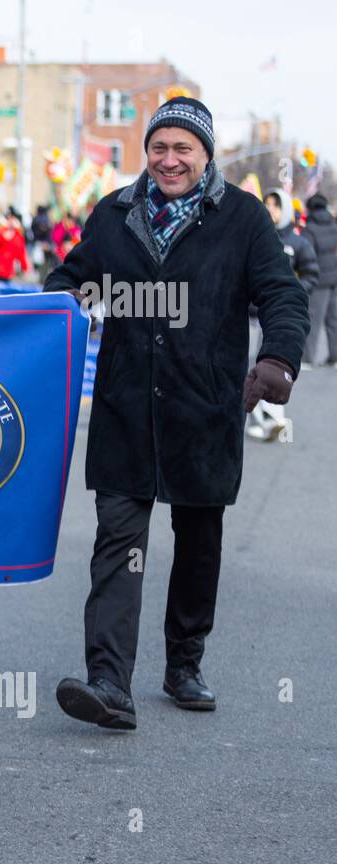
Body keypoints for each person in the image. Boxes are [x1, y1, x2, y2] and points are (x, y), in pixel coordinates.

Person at [45, 97, 309, 729]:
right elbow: (74, 283)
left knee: (198, 543)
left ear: (205, 154)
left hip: (205, 407)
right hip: (125, 408)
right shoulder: (112, 214)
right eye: (159, 148)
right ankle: (109, 680)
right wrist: (35, 319)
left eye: (182, 149)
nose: (169, 160)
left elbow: (281, 293)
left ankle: (184, 662)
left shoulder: (242, 218)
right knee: (118, 543)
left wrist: (278, 358)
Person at [247, 189, 318, 441]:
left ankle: (272, 419)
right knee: (249, 366)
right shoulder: (253, 236)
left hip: (278, 317)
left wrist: (297, 293)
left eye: (275, 206)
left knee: (273, 365)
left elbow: (311, 273)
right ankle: (257, 419)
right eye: (267, 204)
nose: (271, 210)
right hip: (249, 316)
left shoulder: (298, 242)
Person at [301, 194, 337, 369]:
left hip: (320, 279)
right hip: (335, 277)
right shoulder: (333, 225)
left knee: (313, 318)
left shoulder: (310, 229)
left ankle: (307, 358)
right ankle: (335, 357)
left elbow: (308, 255)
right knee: (334, 319)